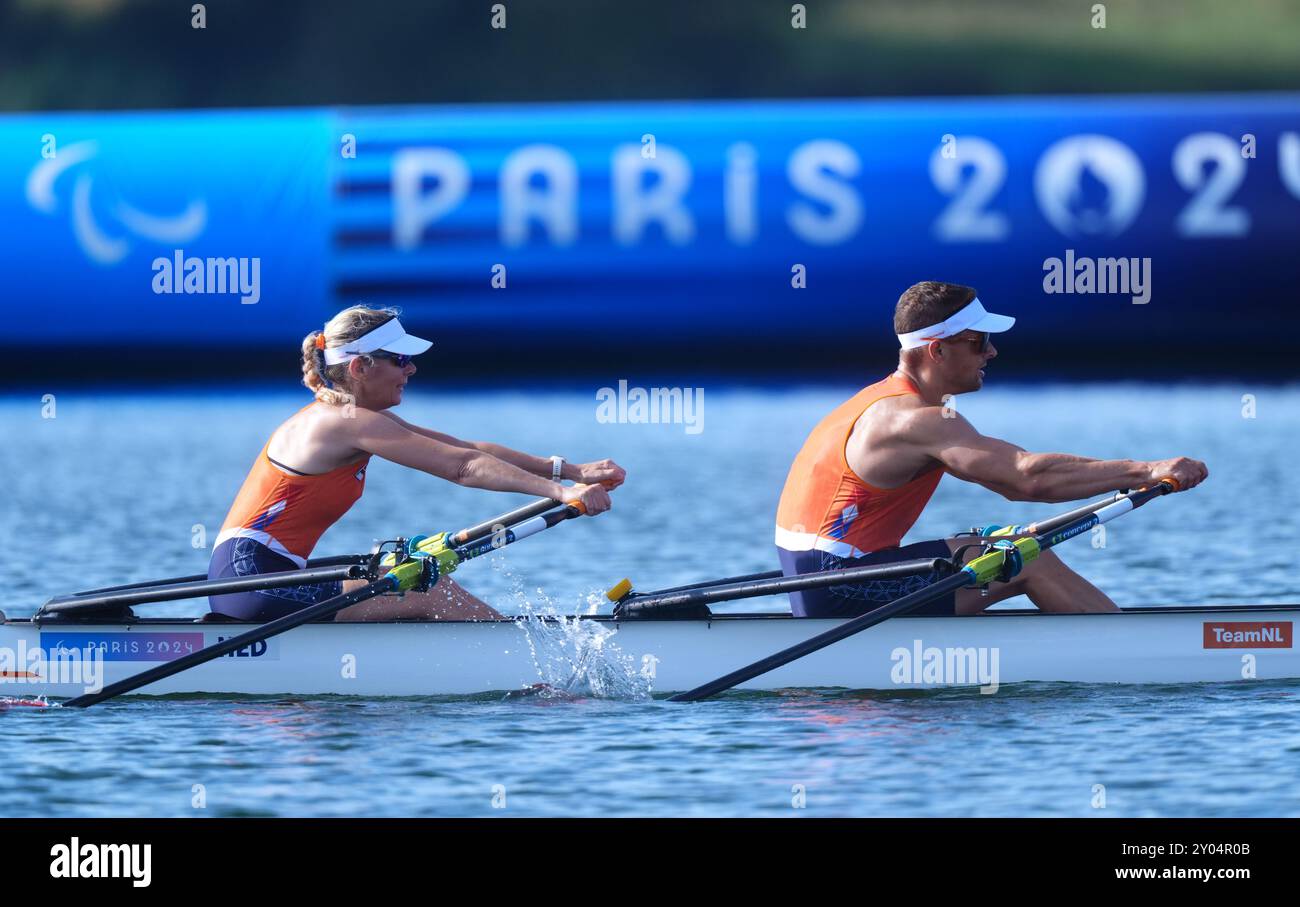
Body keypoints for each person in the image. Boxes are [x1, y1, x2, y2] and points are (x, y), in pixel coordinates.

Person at [774, 281, 1207, 617]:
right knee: (1027, 558)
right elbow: (1026, 479)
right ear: (937, 351)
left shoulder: (878, 400)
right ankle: (1132, 656)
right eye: (979, 342)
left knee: (1004, 541)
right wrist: (1148, 471)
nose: (993, 351)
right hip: (837, 585)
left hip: (822, 579)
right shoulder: (914, 420)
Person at [208, 305, 625, 622]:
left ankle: (486, 651)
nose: (412, 368)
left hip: (268, 575)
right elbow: (461, 468)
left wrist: (570, 472)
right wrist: (562, 495)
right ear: (360, 366)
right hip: (253, 579)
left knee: (405, 572)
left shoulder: (353, 418)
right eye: (400, 360)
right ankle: (526, 666)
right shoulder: (337, 423)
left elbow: (464, 447)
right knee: (429, 588)